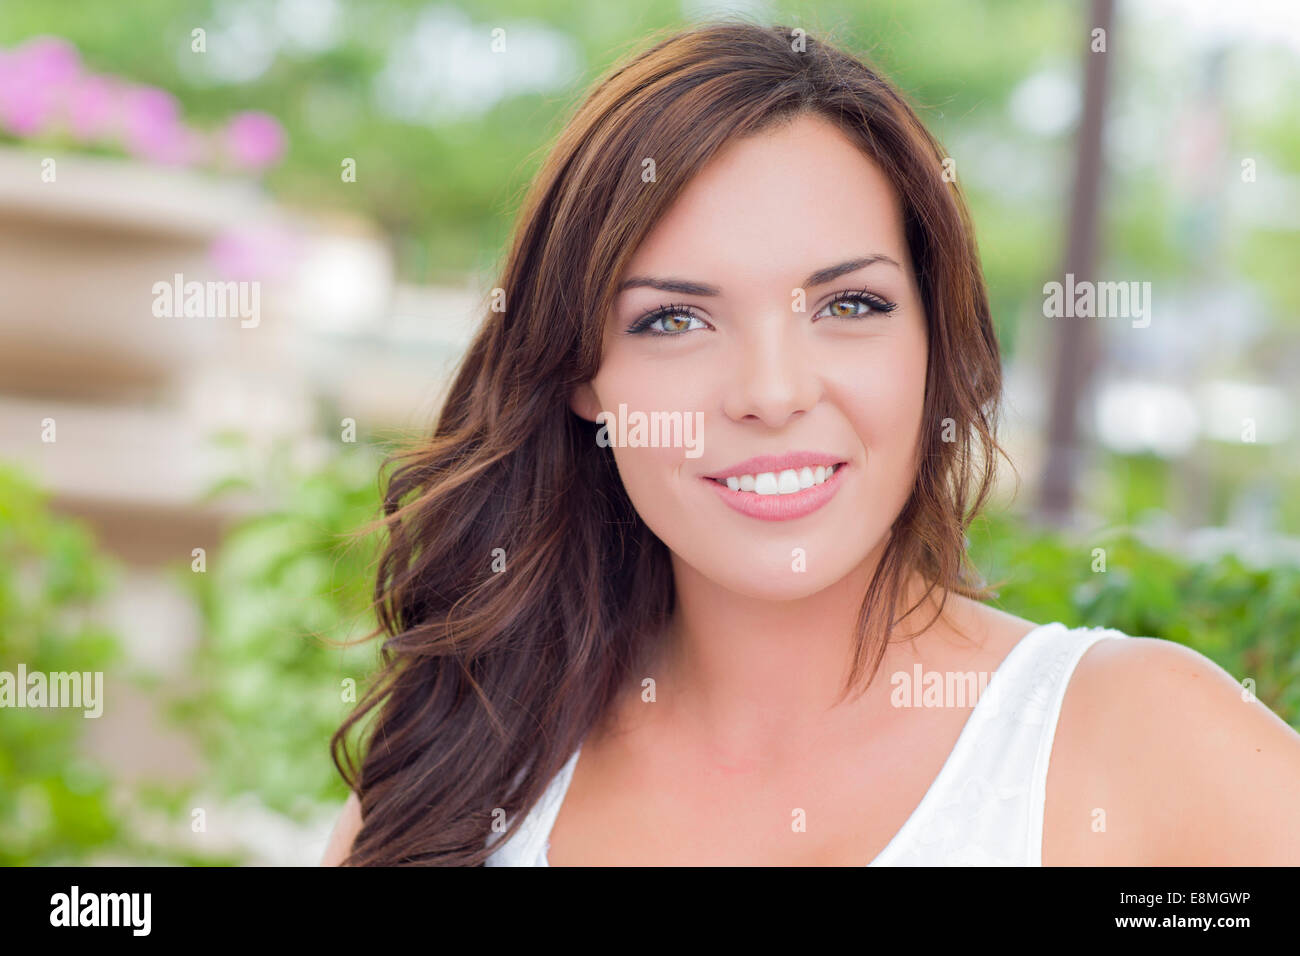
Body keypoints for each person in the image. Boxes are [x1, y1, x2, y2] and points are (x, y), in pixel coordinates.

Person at [322, 21, 1300, 866]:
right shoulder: (465, 775)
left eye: (850, 304)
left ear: (933, 341)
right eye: (674, 320)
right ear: (581, 371)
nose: (773, 391)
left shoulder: (1136, 740)